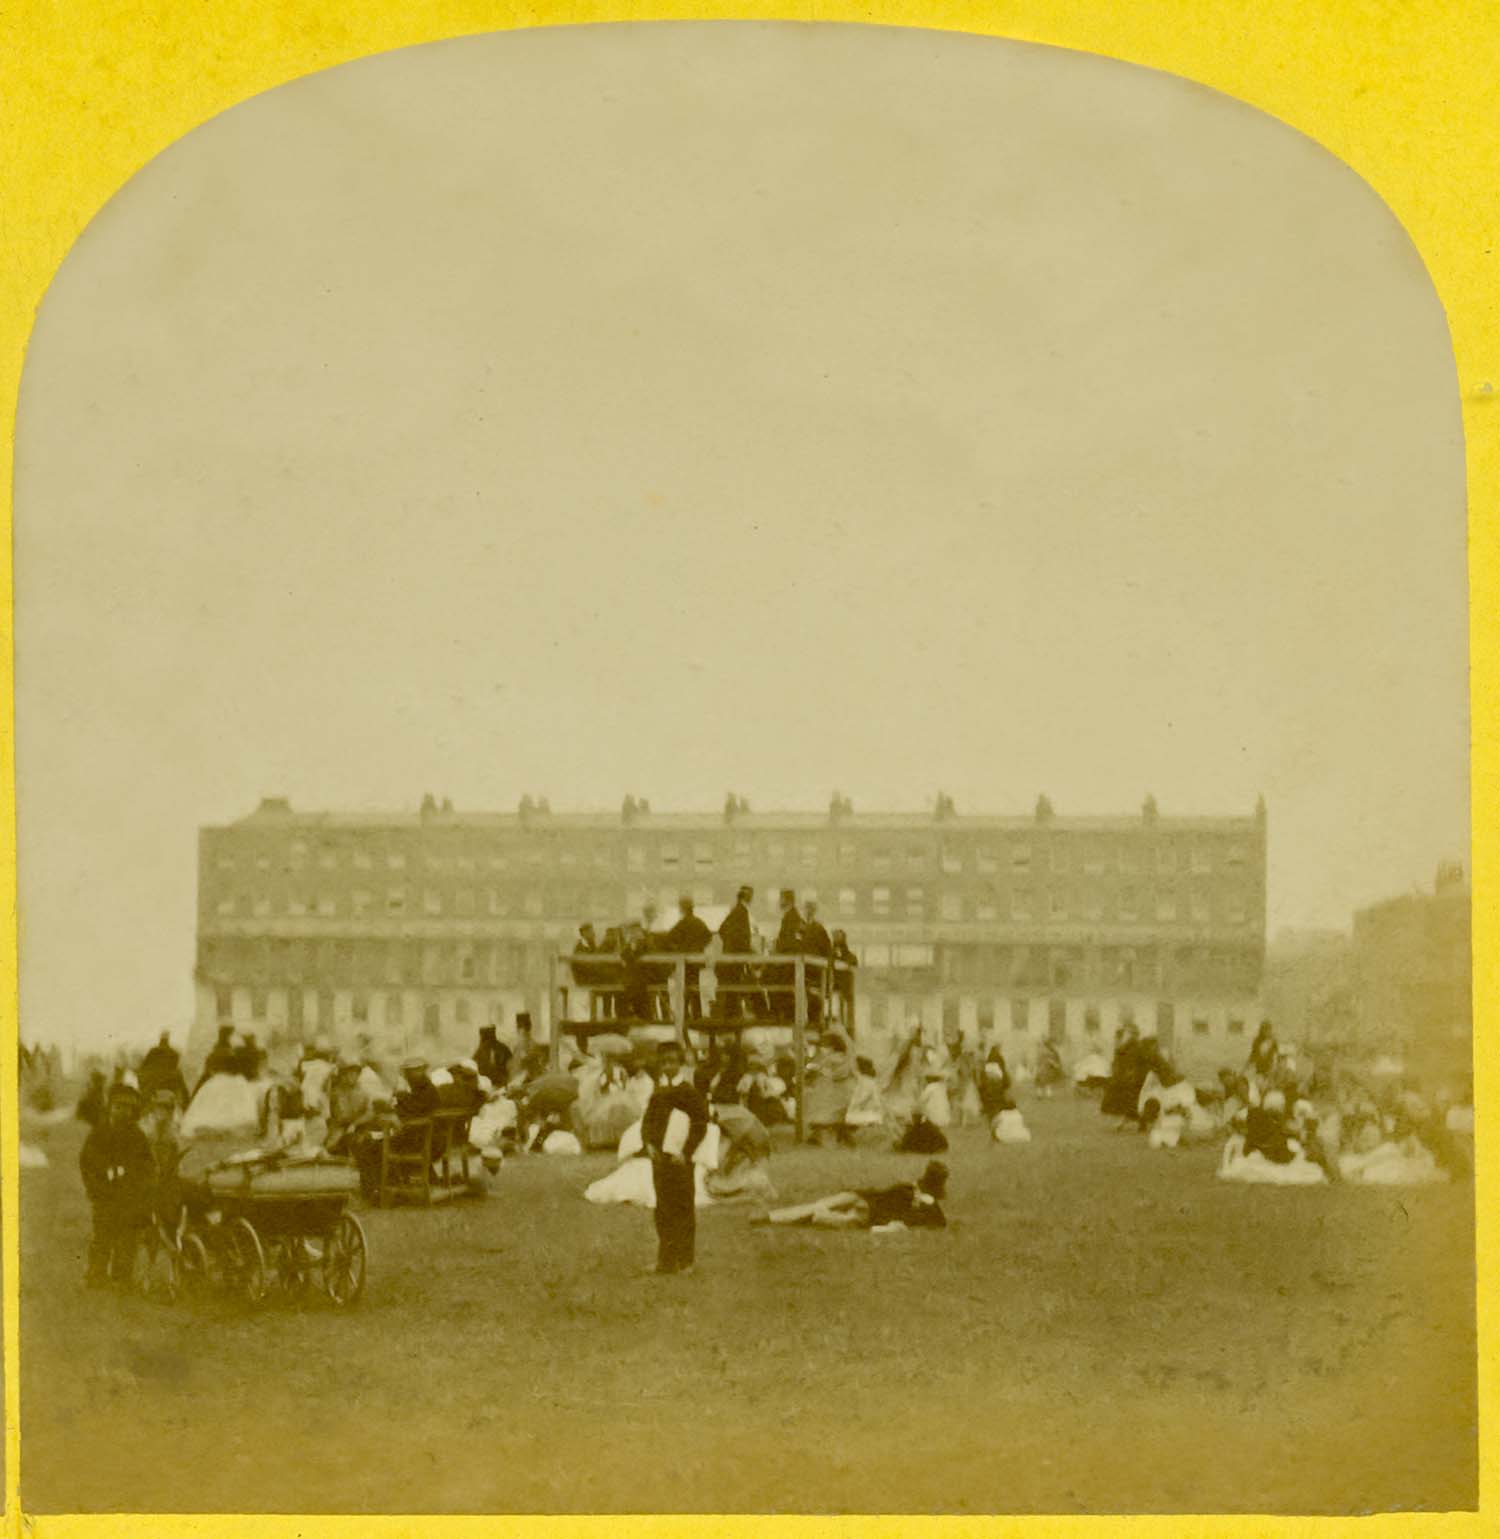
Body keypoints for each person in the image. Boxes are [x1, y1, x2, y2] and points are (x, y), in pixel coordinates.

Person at [641, 1040, 709, 1274]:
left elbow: (700, 1124)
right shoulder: (658, 1093)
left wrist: (687, 1152)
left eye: (672, 1061)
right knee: (663, 1209)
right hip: (660, 1160)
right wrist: (649, 1143)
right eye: (664, 1062)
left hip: (680, 1161)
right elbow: (648, 1121)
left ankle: (686, 1260)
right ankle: (666, 1259)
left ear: (680, 1063)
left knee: (683, 1208)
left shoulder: (688, 1093)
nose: (668, 1066)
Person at [79, 1082, 156, 1289]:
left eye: (128, 1108)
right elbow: (88, 1163)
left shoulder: (137, 1136)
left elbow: (147, 1164)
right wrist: (95, 1187)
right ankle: (96, 1274)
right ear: (110, 1107)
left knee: (128, 1236)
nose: (123, 1111)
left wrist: (141, 1186)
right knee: (103, 1234)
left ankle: (122, 1276)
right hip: (104, 1194)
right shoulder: (99, 1133)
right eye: (118, 1106)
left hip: (129, 1195)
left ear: (134, 1111)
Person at [756, 1159, 949, 1230]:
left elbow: (880, 1191)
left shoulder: (907, 1187)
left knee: (817, 1206)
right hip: (869, 1214)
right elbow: (940, 1222)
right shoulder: (927, 1205)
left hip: (862, 1197)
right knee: (831, 1218)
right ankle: (817, 1217)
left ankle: (773, 1217)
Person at [804, 1031, 857, 1146]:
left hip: (837, 1094)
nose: (822, 1049)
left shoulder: (835, 1058)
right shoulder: (840, 1057)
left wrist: (822, 1071)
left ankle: (824, 1137)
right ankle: (833, 1136)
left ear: (832, 1047)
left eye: (824, 1047)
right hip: (838, 1093)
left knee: (824, 1113)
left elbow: (839, 1074)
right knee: (831, 1116)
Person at [666, 896, 713, 1020]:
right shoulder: (698, 922)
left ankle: (684, 1014)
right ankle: (697, 1015)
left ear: (682, 908)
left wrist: (679, 948)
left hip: (685, 962)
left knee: (684, 989)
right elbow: (708, 937)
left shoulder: (683, 923)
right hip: (696, 961)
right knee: (694, 988)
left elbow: (669, 937)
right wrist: (698, 947)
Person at [717, 885, 760, 1021]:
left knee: (732, 991)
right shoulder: (741, 912)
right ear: (748, 897)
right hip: (734, 959)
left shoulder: (735, 911)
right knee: (734, 989)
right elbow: (740, 937)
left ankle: (732, 1018)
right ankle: (732, 1019)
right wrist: (746, 950)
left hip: (730, 958)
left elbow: (722, 929)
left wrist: (729, 946)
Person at [769, 889, 804, 1023]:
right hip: (787, 960)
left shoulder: (791, 917)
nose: (779, 901)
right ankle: (784, 1016)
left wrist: (777, 950)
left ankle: (782, 1017)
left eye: (781, 898)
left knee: (779, 986)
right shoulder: (791, 916)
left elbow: (790, 941)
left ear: (787, 900)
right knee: (786, 990)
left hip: (787, 961)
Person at [137, 1032, 189, 1108]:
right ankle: (186, 1106)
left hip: (154, 1080)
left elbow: (144, 1065)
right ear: (168, 1039)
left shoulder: (153, 1051)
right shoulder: (174, 1052)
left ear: (160, 1039)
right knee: (182, 1089)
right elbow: (176, 1065)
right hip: (168, 1080)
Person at [802, 901, 833, 1025]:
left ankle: (815, 1023)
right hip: (803, 970)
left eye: (810, 909)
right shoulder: (801, 927)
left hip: (814, 971)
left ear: (814, 911)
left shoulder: (819, 929)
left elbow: (827, 950)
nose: (808, 912)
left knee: (814, 999)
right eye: (806, 909)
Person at [830, 929, 858, 1027]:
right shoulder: (831, 954)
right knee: (838, 1008)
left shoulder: (848, 955)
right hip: (835, 987)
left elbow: (853, 962)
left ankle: (847, 1026)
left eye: (839, 937)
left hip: (844, 988)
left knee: (845, 1008)